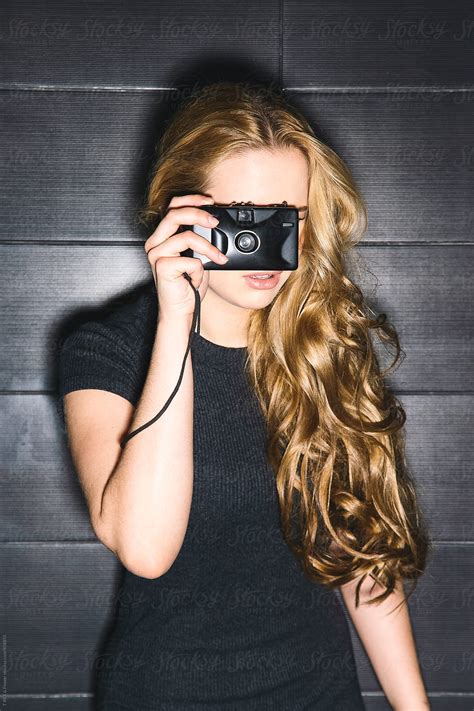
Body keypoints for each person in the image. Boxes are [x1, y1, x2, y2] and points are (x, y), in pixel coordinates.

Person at [57, 81, 431, 710]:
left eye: (291, 218)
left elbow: (359, 556)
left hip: (319, 695)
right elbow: (146, 549)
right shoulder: (107, 352)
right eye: (246, 218)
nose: (269, 245)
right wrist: (175, 318)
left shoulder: (325, 351)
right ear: (183, 212)